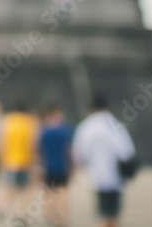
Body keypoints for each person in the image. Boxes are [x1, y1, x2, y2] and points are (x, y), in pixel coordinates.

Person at [73, 94, 136, 227]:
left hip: (96, 177)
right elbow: (127, 152)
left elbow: (79, 154)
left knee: (102, 214)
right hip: (116, 177)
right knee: (112, 215)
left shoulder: (86, 126)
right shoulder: (115, 124)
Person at [0, 100, 38, 223]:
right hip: (26, 162)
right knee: (25, 189)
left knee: (9, 187)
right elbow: (34, 143)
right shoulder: (31, 121)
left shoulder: (7, 120)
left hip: (9, 162)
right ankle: (21, 214)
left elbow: (0, 142)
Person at [38, 102, 74, 227]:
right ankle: (63, 217)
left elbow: (39, 151)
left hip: (47, 166)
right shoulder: (64, 130)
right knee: (62, 192)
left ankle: (50, 217)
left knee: (48, 193)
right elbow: (68, 150)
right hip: (62, 166)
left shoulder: (44, 130)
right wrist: (72, 166)